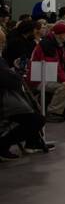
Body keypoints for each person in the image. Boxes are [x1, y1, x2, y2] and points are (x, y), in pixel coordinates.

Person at [0, 27, 54, 157]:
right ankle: (2, 145)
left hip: (7, 98)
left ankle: (31, 142)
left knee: (33, 113)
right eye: (1, 43)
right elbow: (8, 79)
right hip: (4, 100)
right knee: (35, 119)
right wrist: (15, 74)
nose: (2, 46)